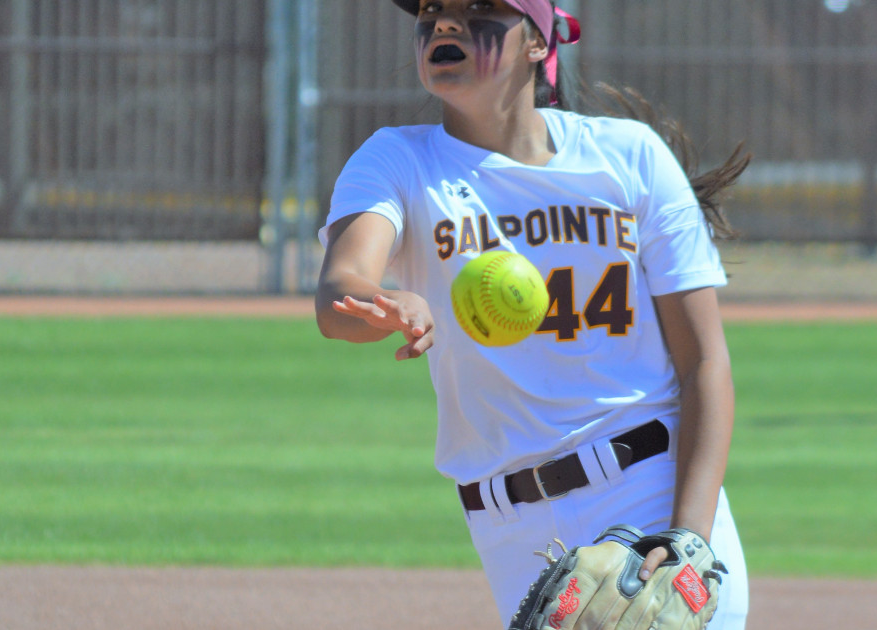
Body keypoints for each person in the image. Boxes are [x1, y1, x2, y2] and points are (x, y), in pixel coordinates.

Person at [314, 1, 750, 628]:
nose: (444, 24)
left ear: (538, 43)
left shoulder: (628, 158)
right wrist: (388, 303)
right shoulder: (399, 162)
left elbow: (704, 361)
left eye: (479, 8)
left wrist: (689, 540)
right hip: (514, 532)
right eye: (432, 10)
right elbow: (339, 293)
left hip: (650, 489)